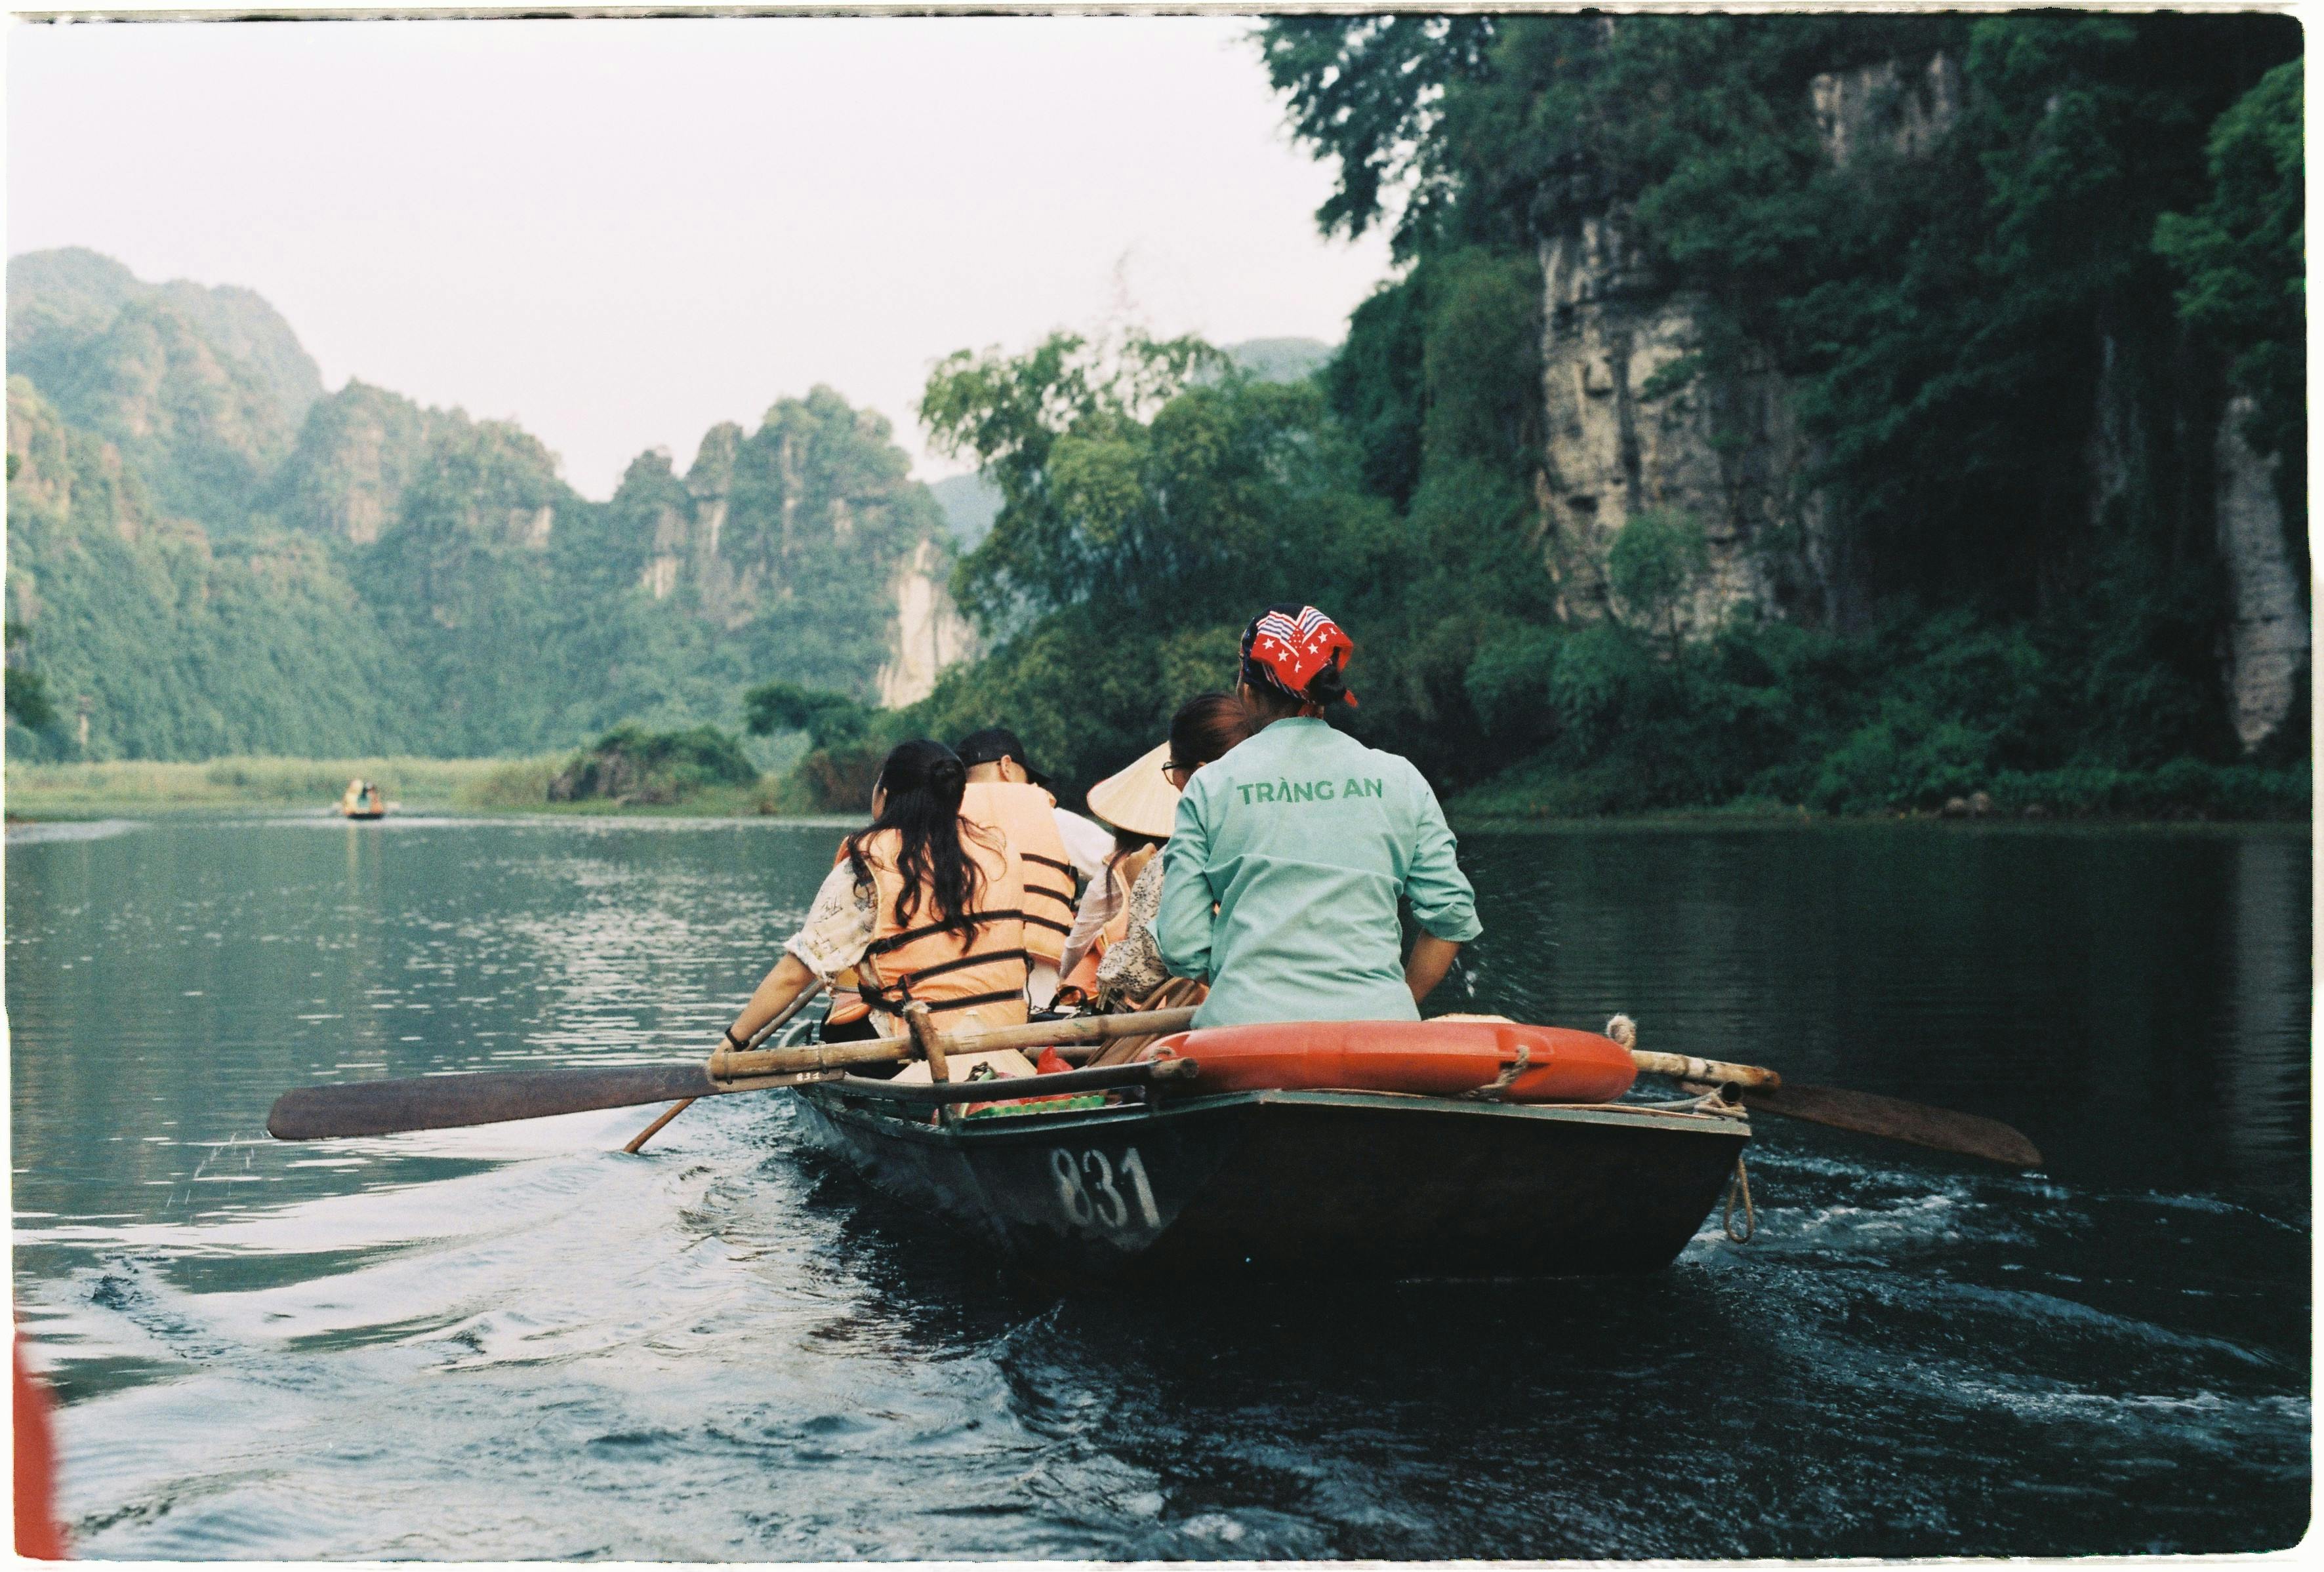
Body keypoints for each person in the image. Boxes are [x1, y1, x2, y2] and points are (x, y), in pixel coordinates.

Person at [1156, 605, 1480, 1027]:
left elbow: (1181, 945)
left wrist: (1245, 987)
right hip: (1379, 1030)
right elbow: (1452, 917)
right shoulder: (1401, 778)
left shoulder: (1209, 786)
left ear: (1248, 693)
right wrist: (1398, 1001)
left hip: (1244, 1035)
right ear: (1327, 693)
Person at [722, 739, 1029, 1053]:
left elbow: (793, 975)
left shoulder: (872, 863)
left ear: (885, 794)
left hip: (918, 1045)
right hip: (1007, 1035)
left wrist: (730, 1044)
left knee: (836, 1025)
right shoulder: (999, 851)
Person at [954, 727, 1111, 1011]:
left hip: (955, 981)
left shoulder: (938, 823)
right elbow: (1123, 871)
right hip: (1035, 984)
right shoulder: (1053, 820)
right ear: (1006, 766)